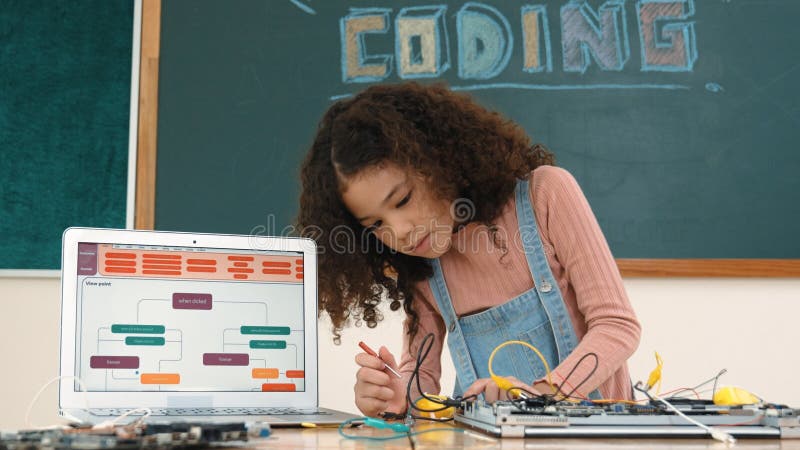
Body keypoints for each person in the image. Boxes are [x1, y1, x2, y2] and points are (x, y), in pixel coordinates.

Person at [296, 82, 641, 417]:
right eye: (375, 225)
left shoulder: (545, 194)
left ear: (439, 162)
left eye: (403, 200)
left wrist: (542, 395)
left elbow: (617, 326)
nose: (399, 232)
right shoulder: (421, 266)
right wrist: (399, 395)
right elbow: (421, 383)